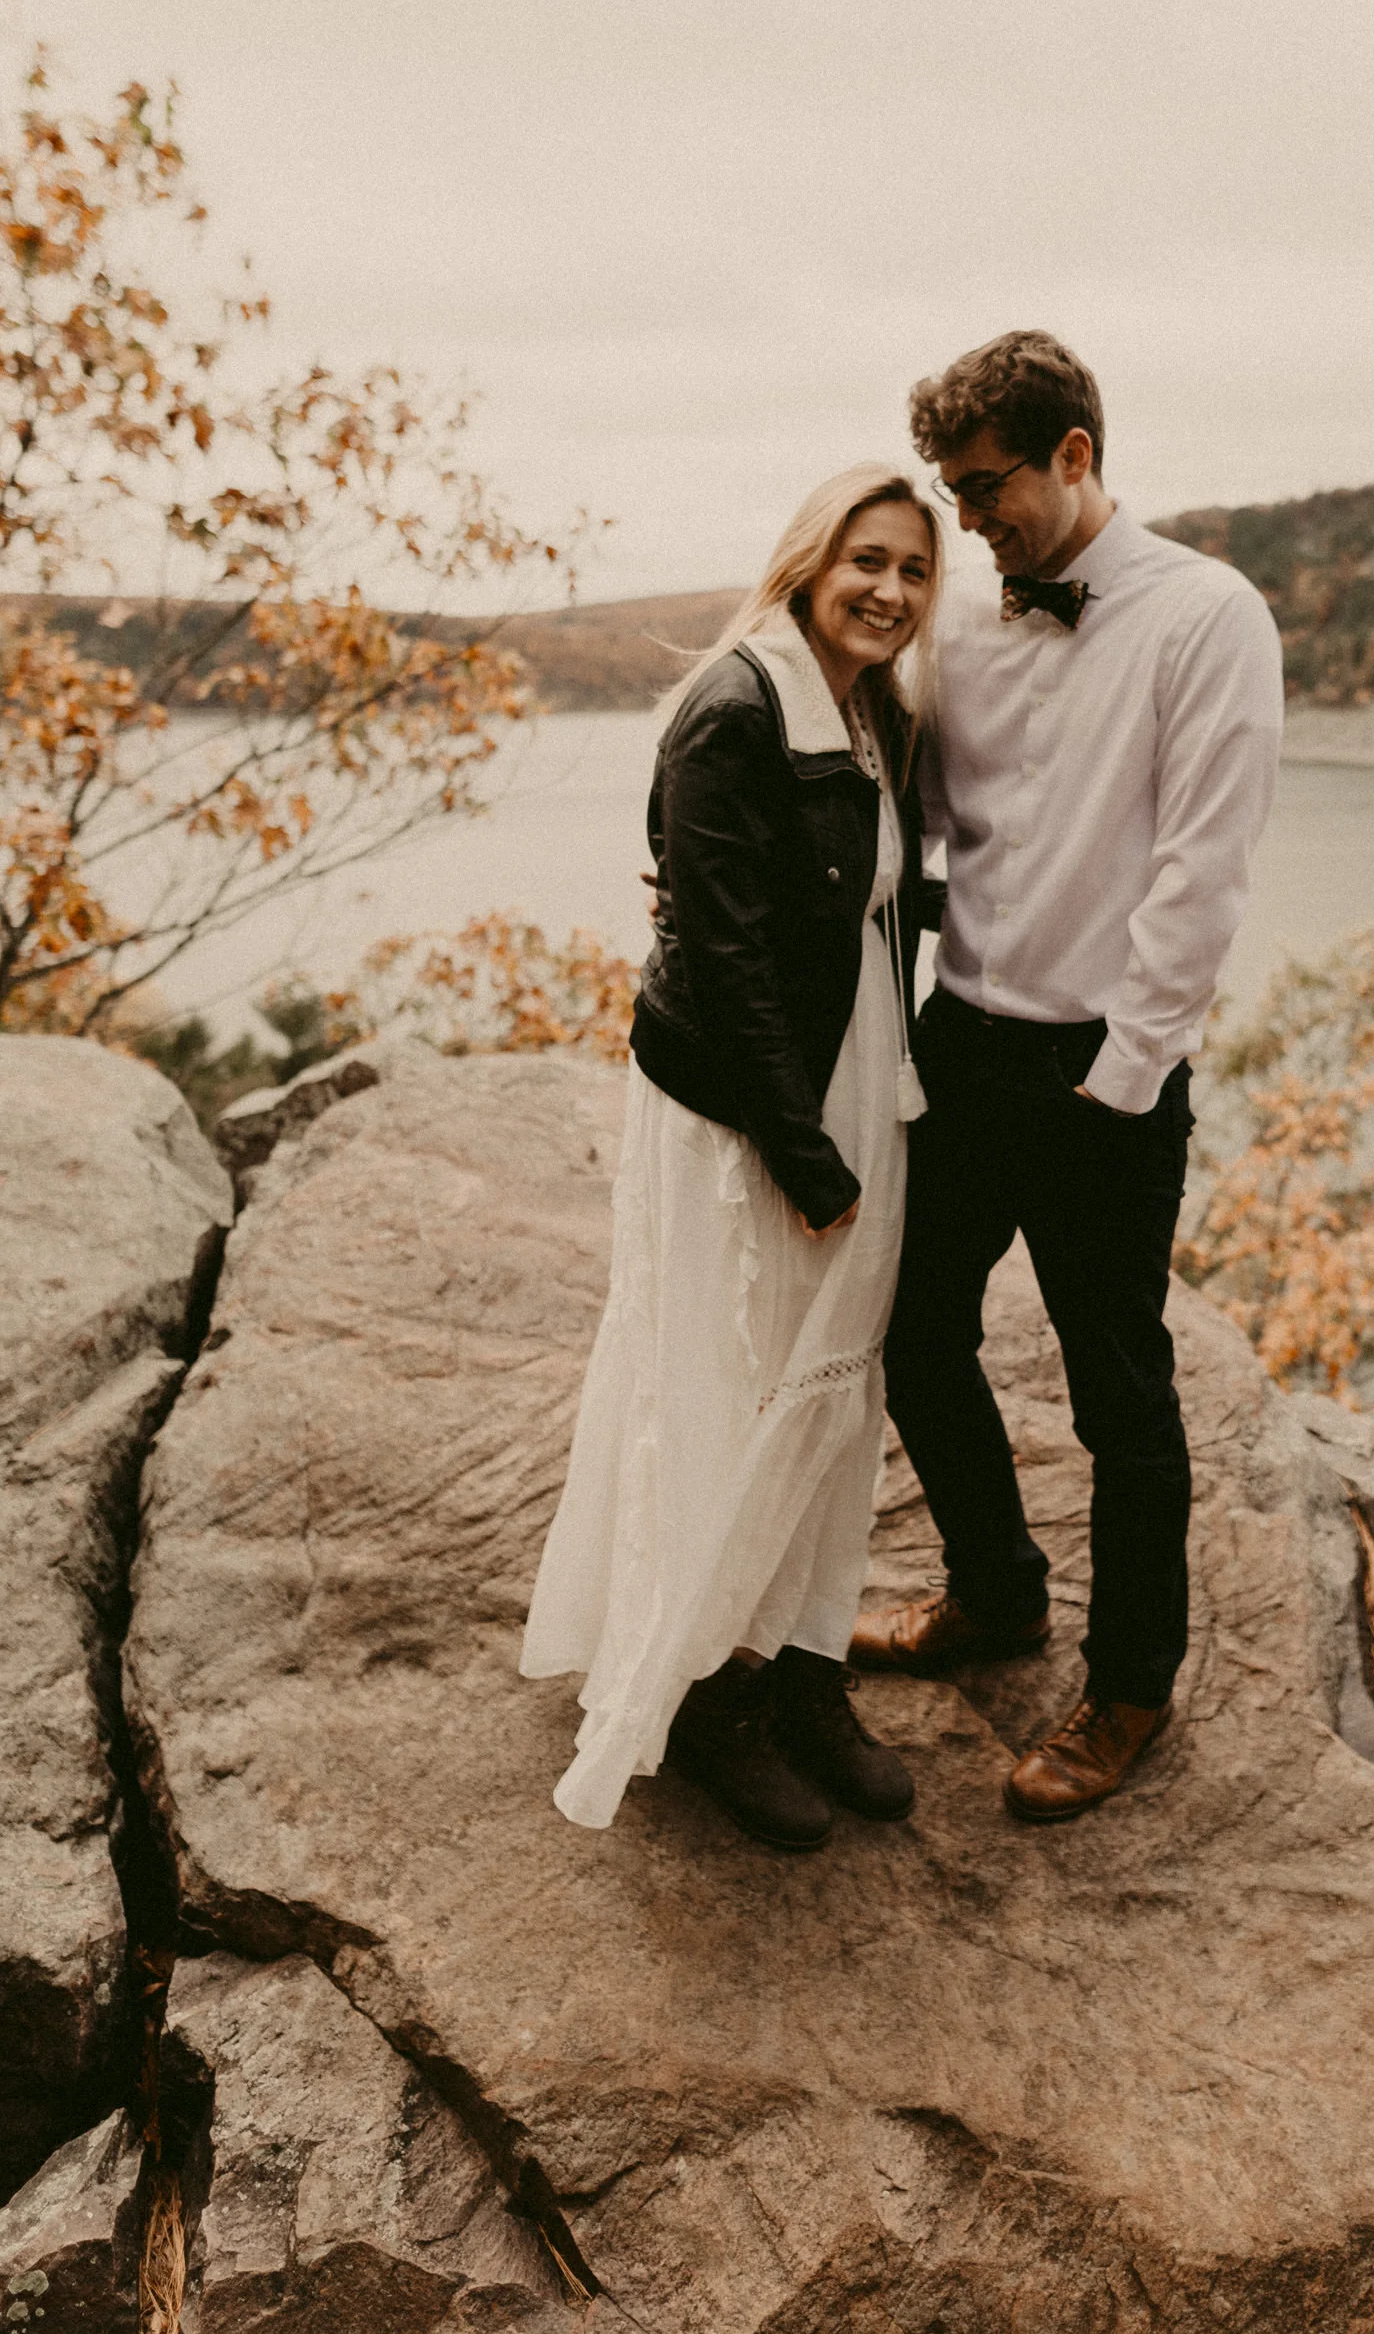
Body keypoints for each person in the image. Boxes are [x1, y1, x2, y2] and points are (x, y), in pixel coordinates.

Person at [850, 331, 1285, 1819]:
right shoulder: (961, 623)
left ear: (1076, 456)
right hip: (960, 1048)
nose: (969, 524)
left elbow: (1201, 874)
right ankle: (997, 1591)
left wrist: (1119, 1082)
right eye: (955, 495)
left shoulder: (1209, 618)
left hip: (1105, 1074)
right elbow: (899, 817)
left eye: (989, 491)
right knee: (912, 1333)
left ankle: (1129, 1692)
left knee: (1121, 1400)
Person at [521, 467, 941, 1851]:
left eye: (913, 571)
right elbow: (726, 948)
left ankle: (807, 1666)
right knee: (729, 1380)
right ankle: (705, 1695)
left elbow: (872, 896)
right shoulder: (737, 706)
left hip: (860, 1072)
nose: (888, 590)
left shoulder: (875, 707)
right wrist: (802, 1151)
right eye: (865, 561)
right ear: (812, 561)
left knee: (836, 1389)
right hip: (747, 1105)